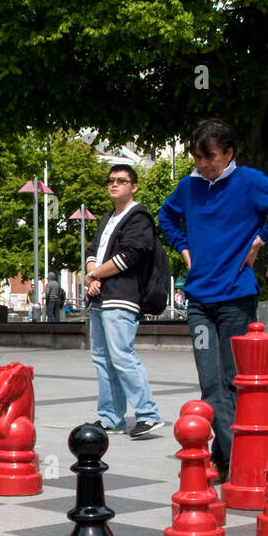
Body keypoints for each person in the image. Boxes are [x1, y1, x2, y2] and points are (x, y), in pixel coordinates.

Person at [158, 119, 268, 476]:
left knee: (232, 380)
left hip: (235, 299)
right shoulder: (188, 186)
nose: (202, 164)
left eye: (209, 157)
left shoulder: (249, 182)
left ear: (228, 153)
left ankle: (234, 457)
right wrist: (184, 248)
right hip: (198, 302)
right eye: (196, 157)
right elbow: (166, 216)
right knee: (209, 382)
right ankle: (234, 456)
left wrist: (260, 238)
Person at [84, 164, 164, 439]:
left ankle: (148, 415)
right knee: (102, 359)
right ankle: (111, 417)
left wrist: (94, 273)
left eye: (121, 180)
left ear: (134, 186)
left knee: (121, 356)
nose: (114, 184)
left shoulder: (138, 217)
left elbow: (130, 255)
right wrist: (91, 275)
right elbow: (93, 250)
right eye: (110, 181)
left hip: (123, 296)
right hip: (99, 298)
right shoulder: (107, 218)